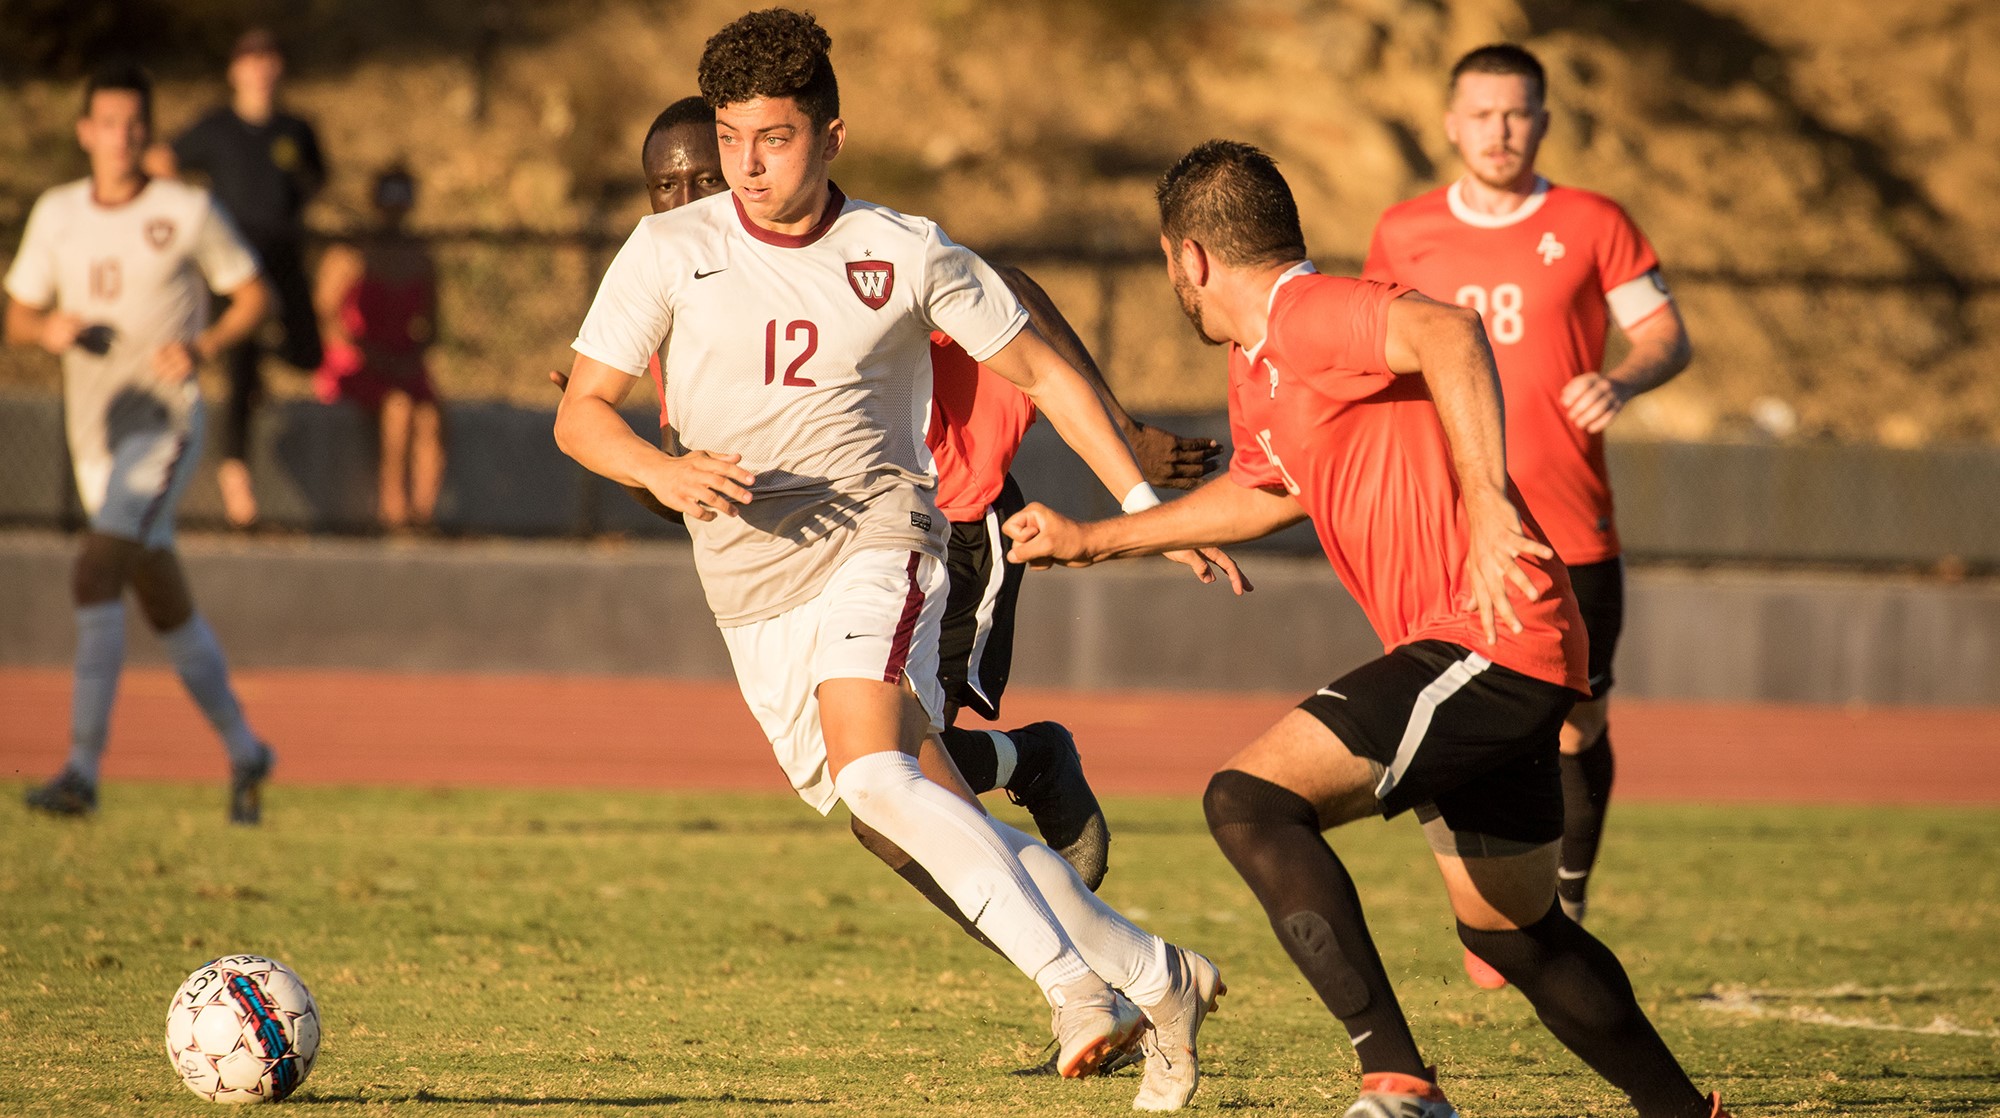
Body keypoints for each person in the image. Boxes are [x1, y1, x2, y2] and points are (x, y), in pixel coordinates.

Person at [554, 11, 1227, 1108]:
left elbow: (1047, 371)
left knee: (876, 770)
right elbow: (581, 415)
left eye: (772, 138)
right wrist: (660, 472)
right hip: (746, 589)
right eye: (730, 138)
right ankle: (1160, 973)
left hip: (881, 537)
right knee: (908, 811)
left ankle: (1075, 987)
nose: (746, 165)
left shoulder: (903, 250)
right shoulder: (668, 249)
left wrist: (1146, 504)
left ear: (831, 135)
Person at [1005, 140, 1732, 1118]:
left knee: (1245, 801)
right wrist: (1092, 539)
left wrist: (1484, 501)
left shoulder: (1306, 311)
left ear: (1188, 260)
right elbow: (1264, 493)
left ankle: (1397, 1082)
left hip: (1488, 635)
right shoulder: (1257, 361)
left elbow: (1447, 331)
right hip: (1488, 650)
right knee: (1513, 933)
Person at [1362, 44, 1693, 988]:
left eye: (1518, 113)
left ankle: (1565, 902)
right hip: (1457, 527)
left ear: (1544, 121)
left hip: (1573, 525)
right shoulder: (1406, 231)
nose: (1499, 131)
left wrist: (1622, 377)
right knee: (1472, 719)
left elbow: (1665, 332)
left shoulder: (1593, 221)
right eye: (1482, 114)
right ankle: (1498, 920)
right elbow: (1379, 352)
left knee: (1576, 728)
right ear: (1450, 124)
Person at [6, 65, 278, 825]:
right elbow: (18, 315)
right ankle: (247, 750)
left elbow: (254, 294)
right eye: (107, 123)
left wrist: (208, 343)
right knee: (161, 601)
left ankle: (82, 773)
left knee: (94, 572)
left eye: (134, 125)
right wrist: (46, 328)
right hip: (91, 434)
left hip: (164, 426)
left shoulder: (186, 209)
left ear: (147, 133)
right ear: (84, 132)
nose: (121, 137)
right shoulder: (57, 213)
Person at [148, 28, 327, 528]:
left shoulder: (295, 129)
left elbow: (315, 179)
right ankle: (236, 481)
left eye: (269, 59)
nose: (261, 70)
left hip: (284, 255)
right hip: (236, 264)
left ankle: (264, 364)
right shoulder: (216, 128)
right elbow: (160, 160)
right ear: (235, 71)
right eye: (251, 60)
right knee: (241, 365)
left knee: (309, 352)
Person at [313, 166, 445, 533]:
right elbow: (326, 315)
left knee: (431, 417)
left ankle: (424, 513)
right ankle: (393, 508)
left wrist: (409, 357)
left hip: (402, 361)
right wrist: (370, 354)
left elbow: (432, 325)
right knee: (399, 406)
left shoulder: (420, 256)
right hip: (355, 362)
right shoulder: (349, 253)